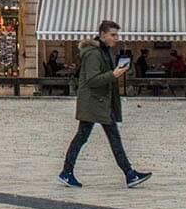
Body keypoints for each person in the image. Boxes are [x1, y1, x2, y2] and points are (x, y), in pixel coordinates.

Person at [57, 20, 150, 188]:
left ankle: (68, 172)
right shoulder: (94, 53)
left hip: (99, 103)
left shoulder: (103, 52)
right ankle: (129, 174)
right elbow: (92, 80)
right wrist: (114, 74)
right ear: (102, 34)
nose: (116, 38)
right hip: (95, 103)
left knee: (88, 137)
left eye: (117, 35)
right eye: (113, 35)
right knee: (98, 137)